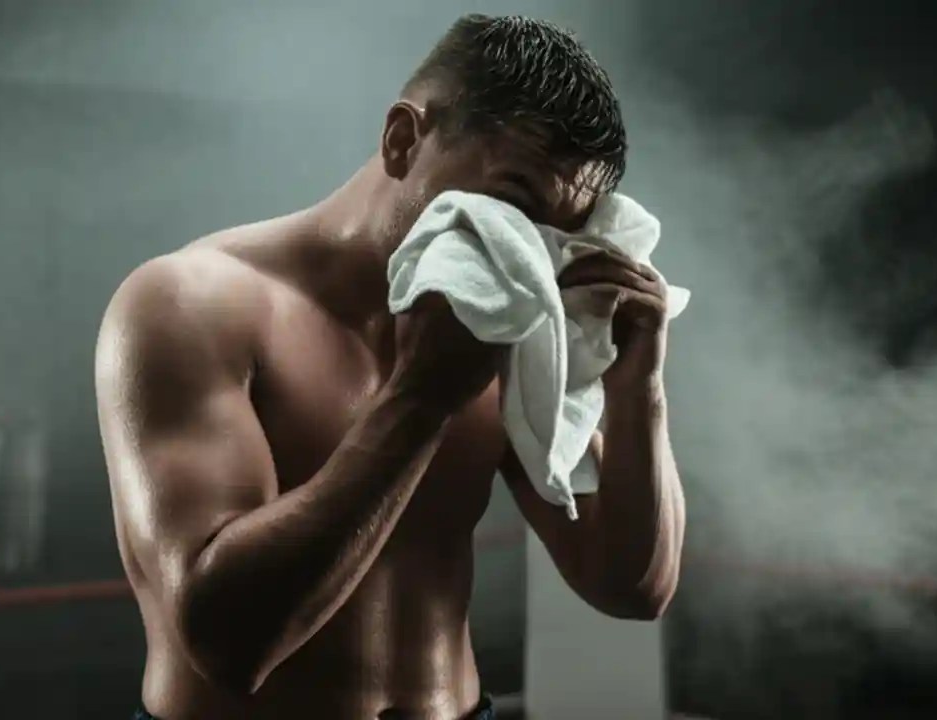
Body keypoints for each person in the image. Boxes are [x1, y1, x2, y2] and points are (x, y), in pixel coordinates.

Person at [95, 14, 686, 720]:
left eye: (558, 230)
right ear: (404, 139)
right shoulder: (191, 304)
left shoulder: (511, 314)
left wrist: (639, 387)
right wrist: (421, 397)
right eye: (514, 204)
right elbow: (229, 645)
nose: (529, 250)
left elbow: (631, 587)